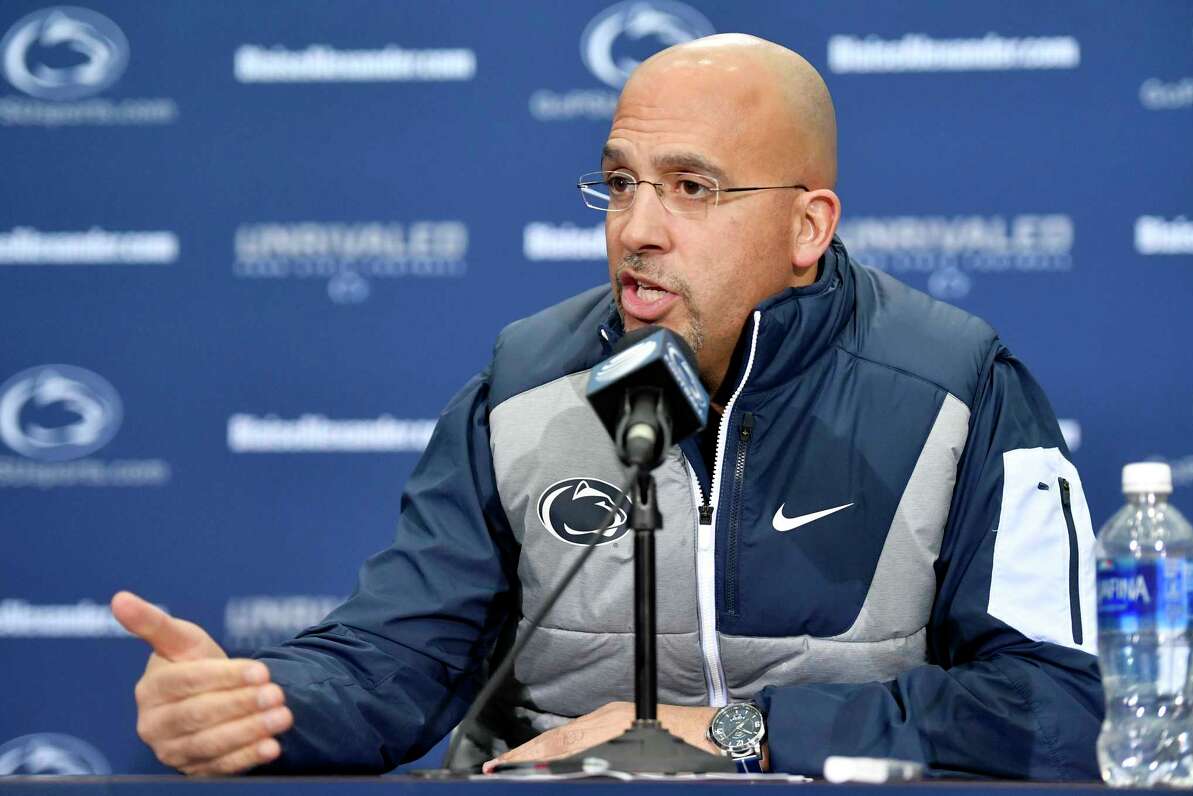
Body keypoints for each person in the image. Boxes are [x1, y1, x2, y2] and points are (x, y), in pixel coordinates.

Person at [112, 34, 1103, 779]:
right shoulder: (527, 389)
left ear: (807, 224)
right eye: (620, 182)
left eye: (690, 188)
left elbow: (1055, 711)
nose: (636, 228)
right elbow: (395, 660)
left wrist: (727, 732)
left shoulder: (957, 390)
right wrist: (259, 704)